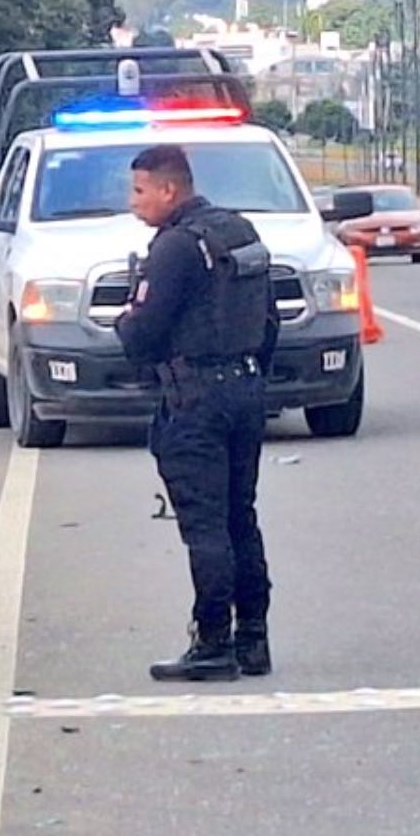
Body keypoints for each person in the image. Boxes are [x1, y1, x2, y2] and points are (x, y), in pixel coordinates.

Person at [114, 144, 279, 683]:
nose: (133, 202)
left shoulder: (175, 248)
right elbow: (269, 320)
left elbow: (142, 334)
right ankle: (253, 640)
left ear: (169, 189)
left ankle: (212, 642)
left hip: (195, 400)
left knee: (205, 524)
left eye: (139, 190)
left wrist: (124, 321)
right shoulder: (239, 234)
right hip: (246, 388)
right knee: (240, 516)